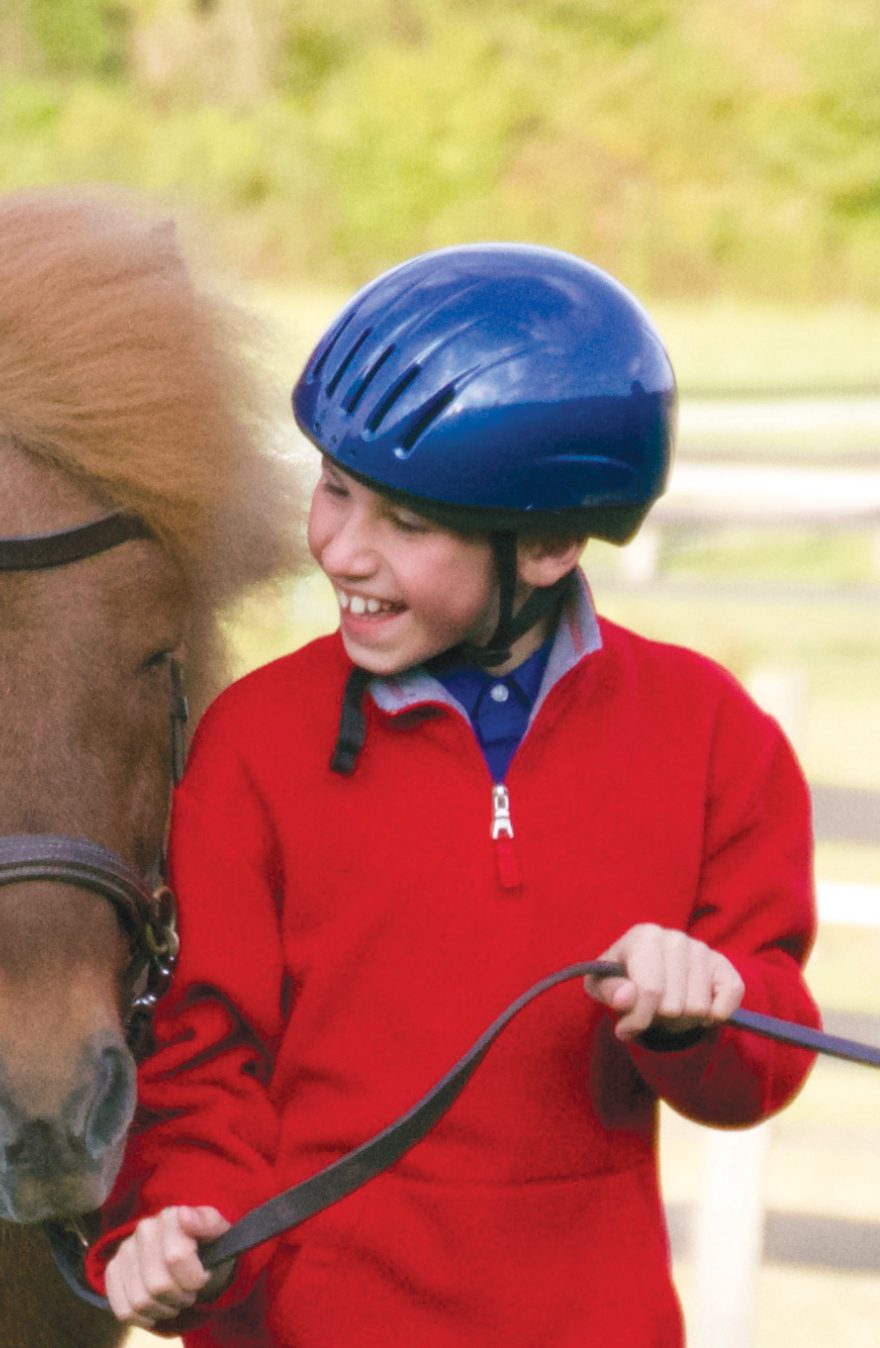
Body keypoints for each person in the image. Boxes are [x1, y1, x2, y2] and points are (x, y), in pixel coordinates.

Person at [88, 244, 821, 1346]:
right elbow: (203, 1062)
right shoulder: (254, 745)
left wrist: (698, 1007)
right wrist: (175, 1219)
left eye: (405, 523)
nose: (340, 546)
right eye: (333, 489)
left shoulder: (708, 732)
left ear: (545, 542)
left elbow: (758, 1062)